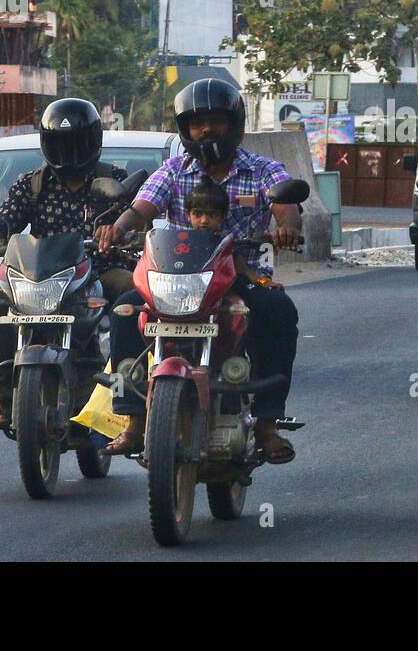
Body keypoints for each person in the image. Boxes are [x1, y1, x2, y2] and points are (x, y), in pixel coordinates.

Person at [94, 79, 303, 463]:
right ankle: (134, 422)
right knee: (124, 310)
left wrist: (287, 226)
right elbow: (142, 207)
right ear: (186, 130)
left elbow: (285, 203)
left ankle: (267, 423)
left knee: (278, 311)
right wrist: (118, 228)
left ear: (234, 123)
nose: (206, 130)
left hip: (239, 276)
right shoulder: (173, 171)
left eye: (215, 121)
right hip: (177, 278)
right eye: (197, 123)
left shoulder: (262, 170)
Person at [0, 98, 135, 431]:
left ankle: (126, 392)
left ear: (92, 142)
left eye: (76, 144)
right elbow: (7, 218)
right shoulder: (32, 184)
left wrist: (119, 230)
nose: (69, 153)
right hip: (43, 276)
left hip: (99, 270)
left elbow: (135, 219)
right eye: (60, 144)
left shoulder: (114, 180)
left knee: (132, 298)